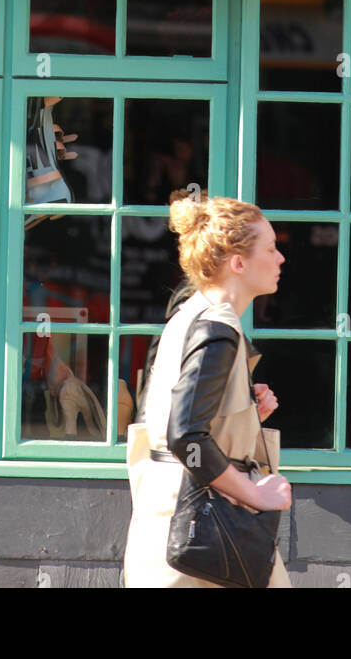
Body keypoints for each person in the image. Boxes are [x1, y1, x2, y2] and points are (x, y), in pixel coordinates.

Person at [123, 189, 292, 588]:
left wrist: (244, 418)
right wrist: (256, 497)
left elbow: (173, 420)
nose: (280, 258)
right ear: (238, 263)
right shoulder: (217, 327)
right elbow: (186, 436)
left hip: (183, 524)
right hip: (200, 531)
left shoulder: (190, 314)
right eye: (270, 248)